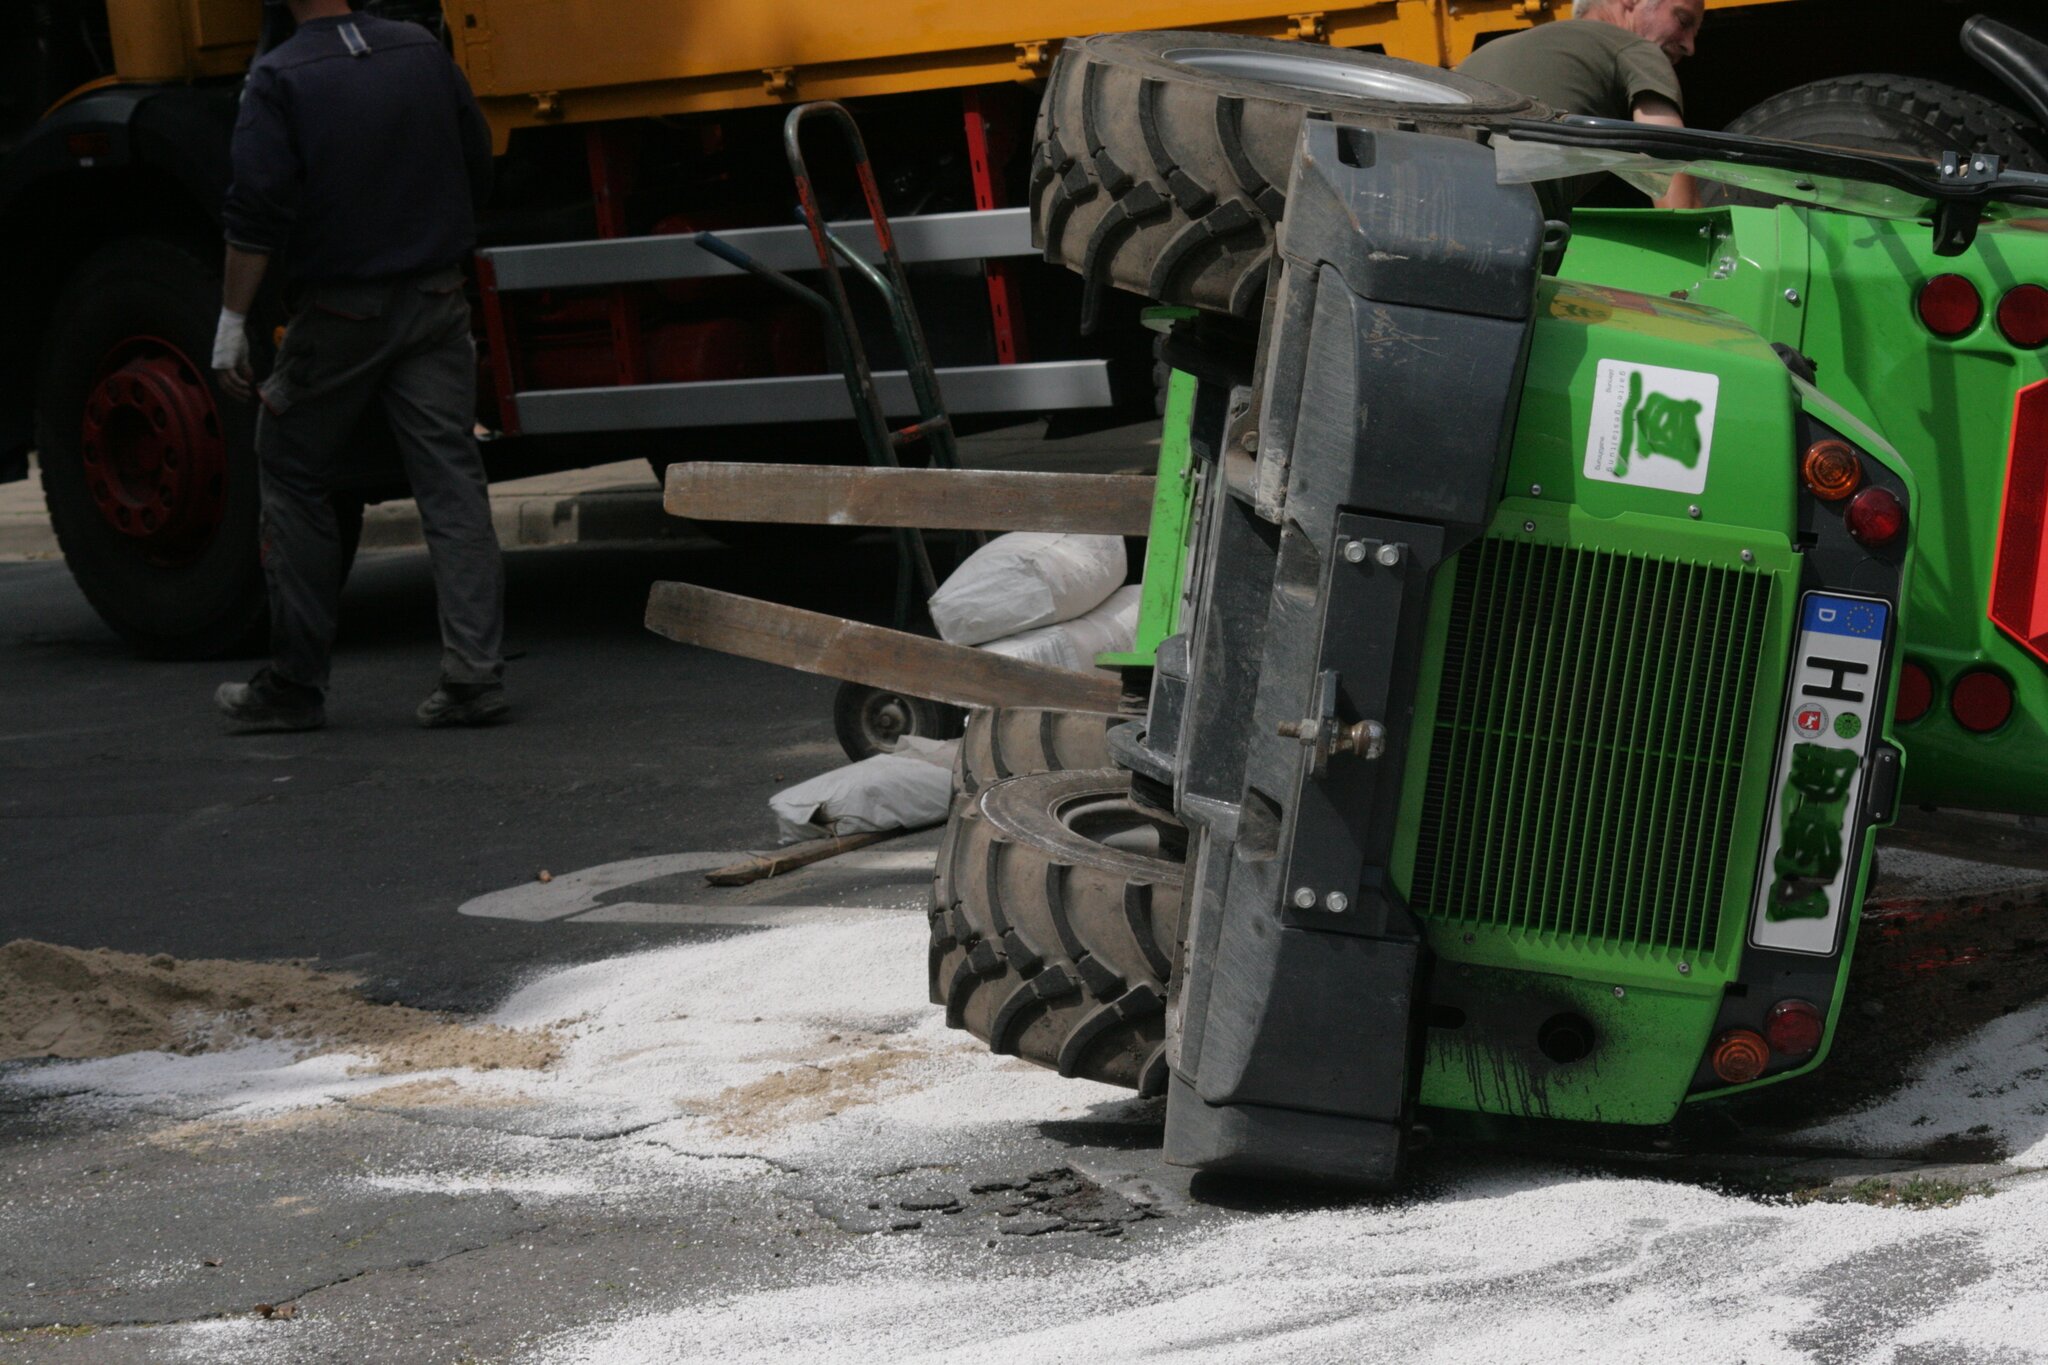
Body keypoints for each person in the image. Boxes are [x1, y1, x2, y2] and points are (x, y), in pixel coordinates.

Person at [212, 0, 508, 732]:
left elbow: (255, 212)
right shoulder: (420, 49)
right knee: (450, 478)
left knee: (290, 466)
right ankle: (473, 675)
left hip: (343, 310)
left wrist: (232, 323)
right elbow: (476, 156)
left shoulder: (279, 77)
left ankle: (294, 685)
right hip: (436, 295)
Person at [1459, 0, 1705, 209]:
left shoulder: (1482, 54)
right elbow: (1664, 154)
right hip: (1507, 223)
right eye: (1683, 21)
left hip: (1442, 211)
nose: (1690, 47)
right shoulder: (1634, 47)